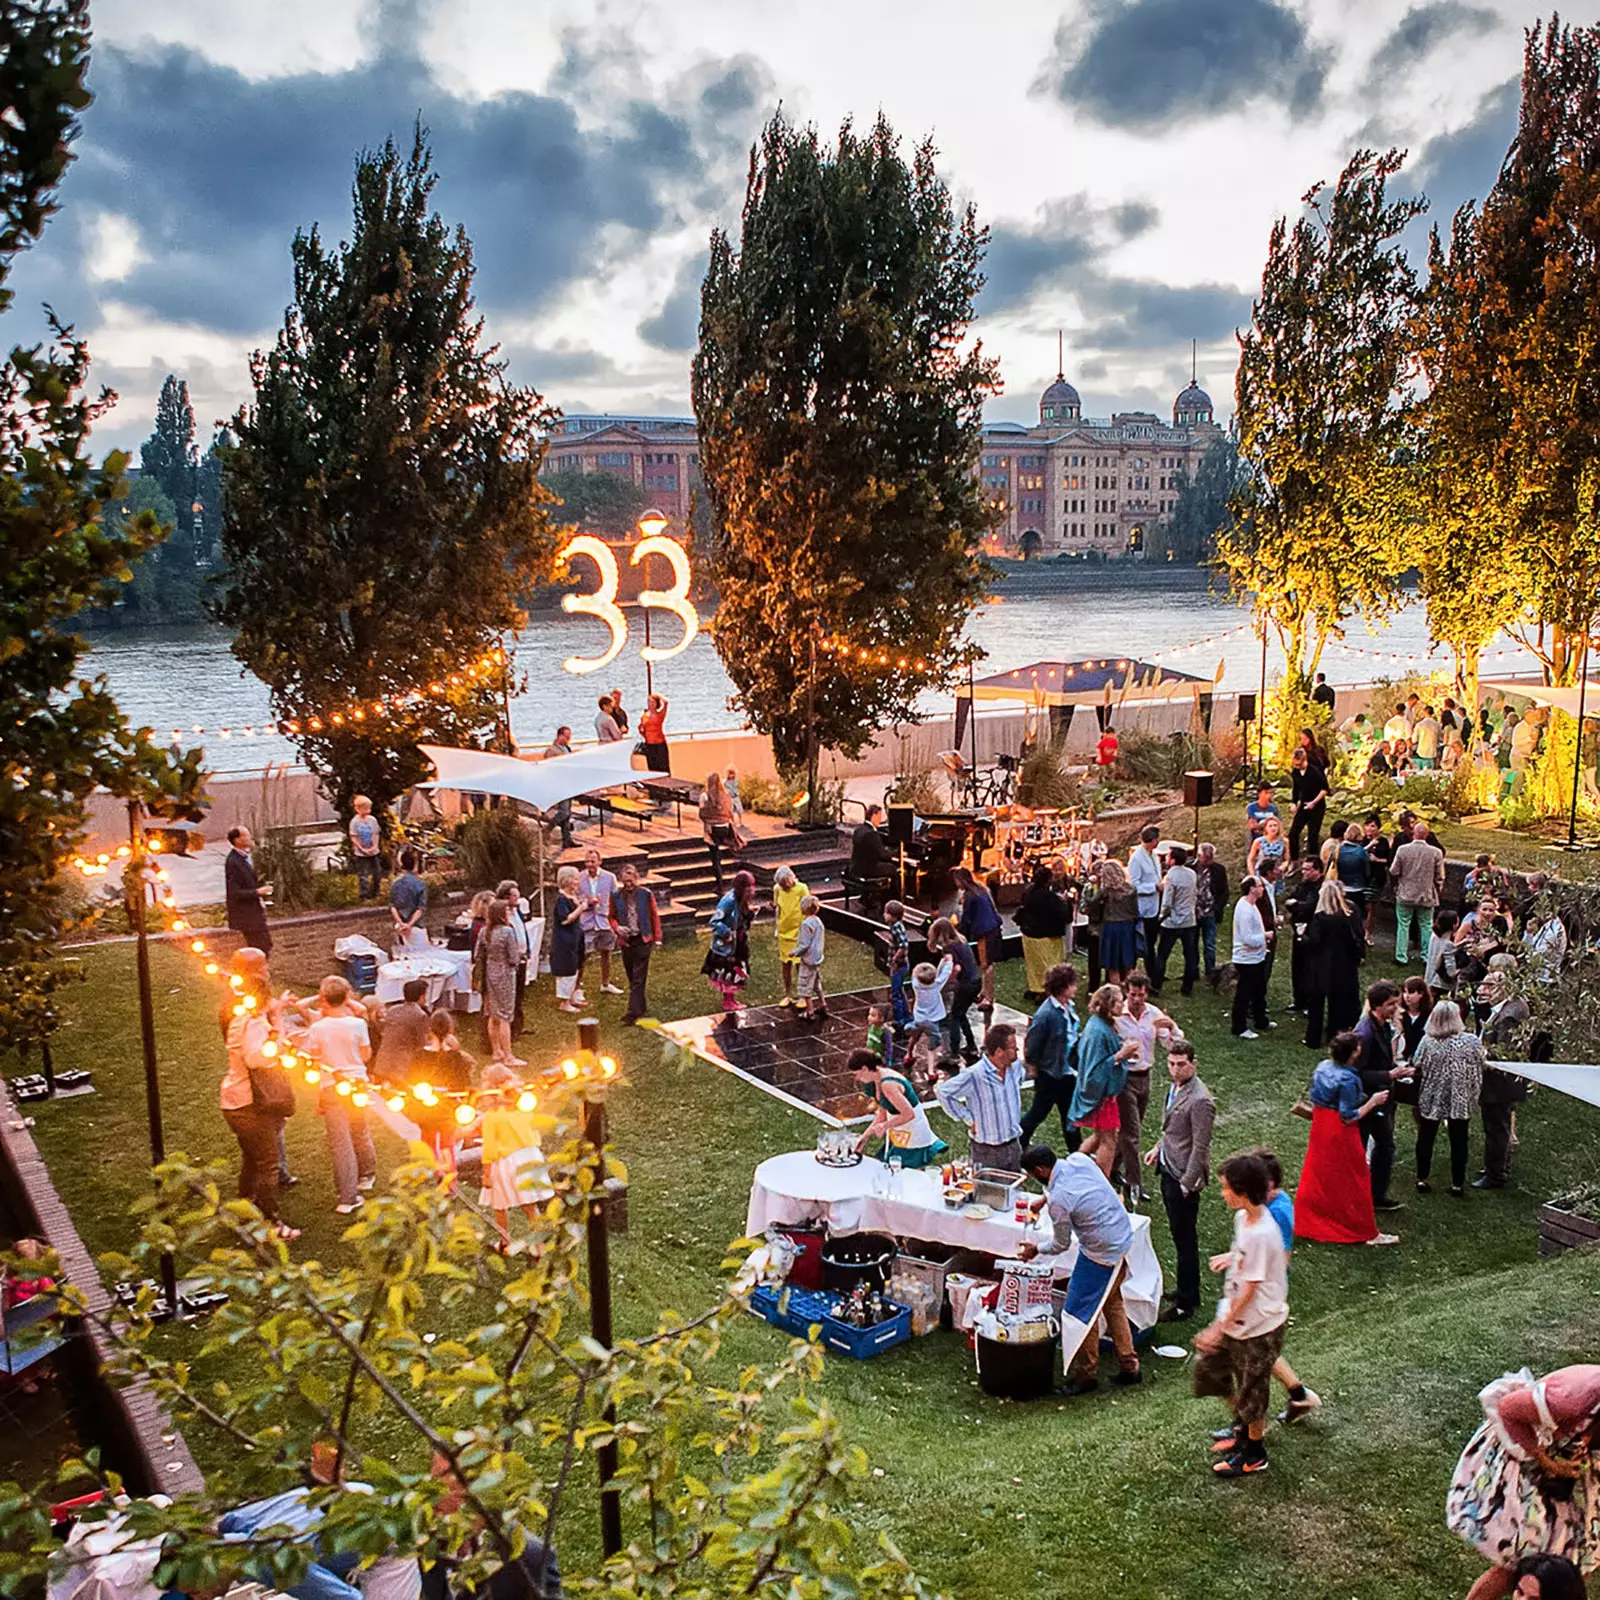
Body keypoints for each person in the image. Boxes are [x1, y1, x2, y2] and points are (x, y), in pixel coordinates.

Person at [1447, 1364, 1600, 1599]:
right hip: (1527, 1441)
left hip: (1575, 1455)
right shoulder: (1572, 1400)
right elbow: (1507, 1409)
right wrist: (1547, 1462)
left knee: (1581, 1558)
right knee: (1526, 1558)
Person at [1191, 1151, 1292, 1478]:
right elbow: (1245, 1255)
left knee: (1252, 1389)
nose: (1222, 1193)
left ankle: (1254, 1452)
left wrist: (1218, 1328)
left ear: (1244, 1190)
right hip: (1238, 1319)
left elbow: (1250, 1288)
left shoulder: (1264, 1231)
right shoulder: (1243, 1220)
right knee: (1209, 1370)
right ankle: (1242, 1430)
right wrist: (1231, 1256)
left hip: (1258, 1324)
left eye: (1226, 1188)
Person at [1017, 1142, 1139, 1396]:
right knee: (1112, 1302)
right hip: (1121, 1236)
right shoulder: (1079, 1160)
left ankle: (1086, 1374)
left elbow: (1060, 1244)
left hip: (1100, 1252)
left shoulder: (1060, 1200)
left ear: (1040, 1169)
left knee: (1078, 1313)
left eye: (1032, 1174)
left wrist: (1035, 1249)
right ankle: (1130, 1364)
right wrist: (1044, 1198)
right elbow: (1078, 1187)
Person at [1294, 1031, 1397, 1245]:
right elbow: (1348, 1117)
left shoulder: (1323, 1066)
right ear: (1353, 1053)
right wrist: (1373, 1102)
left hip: (1321, 1126)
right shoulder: (1349, 1079)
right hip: (1340, 1132)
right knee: (1354, 1177)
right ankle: (1364, 1230)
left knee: (1319, 1174)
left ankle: (1313, 1217)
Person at [220, 970, 298, 1240]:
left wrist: (276, 1016)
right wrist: (276, 1043)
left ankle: (245, 1206)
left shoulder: (242, 1018)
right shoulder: (253, 1024)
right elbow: (255, 1058)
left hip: (233, 1101)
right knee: (268, 1163)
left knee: (252, 1160)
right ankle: (271, 1224)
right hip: (250, 1103)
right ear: (263, 998)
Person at [1145, 1037, 1213, 1322]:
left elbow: (1201, 1145)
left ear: (1193, 1064)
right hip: (1169, 1166)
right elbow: (1172, 1128)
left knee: (1185, 1239)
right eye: (1171, 1064)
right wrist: (1158, 1148)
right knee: (1178, 1235)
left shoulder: (1200, 1100)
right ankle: (1187, 1290)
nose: (1175, 1069)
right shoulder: (1176, 1088)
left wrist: (1187, 1182)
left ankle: (1186, 1301)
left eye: (1181, 1065)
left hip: (1182, 1176)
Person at [302, 975, 377, 1216]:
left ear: (323, 998)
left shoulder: (317, 1028)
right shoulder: (358, 1024)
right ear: (347, 997)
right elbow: (366, 1056)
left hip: (332, 1086)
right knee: (360, 1130)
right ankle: (367, 1175)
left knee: (340, 1142)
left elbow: (314, 1059)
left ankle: (347, 1196)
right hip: (356, 1084)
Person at [1113, 971, 1182, 1203]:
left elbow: (1174, 1045)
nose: (1137, 1000)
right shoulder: (1117, 1016)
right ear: (1126, 992)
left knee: (1130, 1128)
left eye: (1141, 995)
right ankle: (1134, 1183)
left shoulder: (1153, 1014)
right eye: (1133, 995)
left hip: (1145, 1076)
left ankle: (1110, 1166)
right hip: (1124, 1078)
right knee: (1132, 1134)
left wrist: (1172, 1027)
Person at [1412, 999, 1485, 1198]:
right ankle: (1457, 1183)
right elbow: (1482, 1061)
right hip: (1460, 1097)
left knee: (1426, 1137)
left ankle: (1422, 1178)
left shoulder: (1427, 1041)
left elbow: (1416, 1062)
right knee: (1459, 1139)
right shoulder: (1471, 1041)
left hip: (1432, 1094)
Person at [476, 1064, 554, 1251]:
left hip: (507, 1161)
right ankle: (540, 1246)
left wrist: (486, 1174)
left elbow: (490, 1148)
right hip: (530, 1157)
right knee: (529, 1205)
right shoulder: (524, 1107)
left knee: (499, 1205)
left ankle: (505, 1241)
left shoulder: (492, 1116)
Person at [933, 1022, 1026, 1172]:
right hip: (986, 1152)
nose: (1017, 1050)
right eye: (1012, 1047)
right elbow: (944, 1092)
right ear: (999, 1051)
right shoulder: (975, 1075)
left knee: (1014, 1191)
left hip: (1014, 1145)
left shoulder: (1014, 1067)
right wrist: (967, 1118)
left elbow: (1019, 1081)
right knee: (989, 1194)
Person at [1354, 980, 1412, 1212]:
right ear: (1376, 1005)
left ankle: (1376, 1194)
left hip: (1382, 1098)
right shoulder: (1365, 1033)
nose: (1395, 1009)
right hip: (1367, 1100)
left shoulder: (1384, 1027)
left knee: (1385, 1146)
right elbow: (1357, 1073)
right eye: (1390, 1004)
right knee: (1361, 1149)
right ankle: (1360, 1196)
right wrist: (1390, 1073)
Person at [1070, 984, 1139, 1175]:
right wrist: (1120, 1055)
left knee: (1100, 1136)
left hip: (1105, 1093)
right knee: (1109, 1140)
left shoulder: (1102, 1024)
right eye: (1118, 1001)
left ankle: (1072, 1168)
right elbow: (1094, 1069)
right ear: (1108, 1004)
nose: (1123, 1004)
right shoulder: (1097, 1031)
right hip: (1101, 1095)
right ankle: (1102, 1181)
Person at [1477, 965, 1534, 1190]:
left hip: (1499, 1085)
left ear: (1503, 988)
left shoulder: (1509, 1016)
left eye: (1489, 985)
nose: (1483, 990)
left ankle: (1496, 1174)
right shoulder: (1508, 1008)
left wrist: (1478, 1053)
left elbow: (1503, 1053)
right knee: (1498, 1126)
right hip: (1502, 1083)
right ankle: (1498, 1166)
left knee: (1496, 1127)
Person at [850, 1049, 947, 1168]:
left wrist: (884, 1126)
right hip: (899, 1130)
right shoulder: (875, 1080)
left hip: (912, 1131)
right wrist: (863, 1138)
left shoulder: (888, 1085)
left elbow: (909, 1114)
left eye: (856, 1074)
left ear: (865, 1069)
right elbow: (883, 1113)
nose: (856, 1078)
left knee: (904, 1172)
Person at [1020, 962, 1081, 1149]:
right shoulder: (1046, 1015)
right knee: (1038, 1112)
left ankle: (1076, 1151)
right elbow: (1032, 1045)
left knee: (1070, 1116)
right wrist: (1034, 1068)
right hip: (1051, 1074)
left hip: (1068, 1071)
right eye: (1073, 984)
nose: (1076, 988)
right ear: (1063, 987)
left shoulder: (1068, 1006)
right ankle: (1018, 1141)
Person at [1303, 879, 1364, 1048]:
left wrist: (1303, 937)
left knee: (1316, 1004)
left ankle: (1313, 1038)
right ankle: (1333, 1035)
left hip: (1321, 965)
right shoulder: (1346, 916)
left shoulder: (1319, 917)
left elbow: (1314, 941)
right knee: (1337, 1004)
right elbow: (1354, 938)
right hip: (1342, 965)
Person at [411, 1010, 474, 1172]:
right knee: (447, 1145)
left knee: (428, 1141)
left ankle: (429, 1175)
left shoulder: (419, 1056)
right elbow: (463, 1086)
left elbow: (411, 1081)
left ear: (429, 1030)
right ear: (450, 1030)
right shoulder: (456, 1057)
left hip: (424, 1107)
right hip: (448, 1107)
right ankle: (447, 1182)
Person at [609, 860, 661, 1025]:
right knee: (632, 976)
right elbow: (611, 917)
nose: (629, 885)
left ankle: (632, 1014)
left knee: (638, 977)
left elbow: (654, 916)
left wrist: (657, 938)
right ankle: (641, 1006)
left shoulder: (645, 894)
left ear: (637, 879)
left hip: (642, 938)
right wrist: (617, 928)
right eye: (625, 882)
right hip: (627, 940)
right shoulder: (616, 896)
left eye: (631, 881)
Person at [927, 917, 983, 1061]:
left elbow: (956, 968)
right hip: (976, 981)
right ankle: (971, 1046)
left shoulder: (948, 948)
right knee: (961, 1013)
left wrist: (950, 980)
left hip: (966, 984)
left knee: (954, 1018)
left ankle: (954, 1054)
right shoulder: (962, 941)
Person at [1392, 820, 1446, 965]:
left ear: (1413, 834)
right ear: (1427, 835)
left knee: (1403, 925)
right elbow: (1440, 876)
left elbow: (1394, 870)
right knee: (1426, 925)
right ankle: (1426, 955)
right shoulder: (1436, 852)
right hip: (1426, 894)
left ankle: (1401, 956)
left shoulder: (1402, 850)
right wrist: (1437, 890)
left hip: (1406, 894)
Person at [703, 871, 757, 1015]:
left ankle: (731, 999)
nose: (752, 891)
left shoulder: (742, 901)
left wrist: (751, 913)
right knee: (728, 971)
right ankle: (727, 1001)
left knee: (736, 971)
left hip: (738, 943)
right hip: (726, 946)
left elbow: (742, 921)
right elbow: (714, 921)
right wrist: (726, 932)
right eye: (749, 888)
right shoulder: (728, 901)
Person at [953, 866, 1002, 1018]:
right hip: (992, 928)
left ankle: (989, 998)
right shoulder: (980, 889)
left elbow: (966, 919)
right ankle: (984, 992)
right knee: (984, 963)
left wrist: (956, 932)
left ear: (961, 880)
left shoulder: (970, 895)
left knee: (987, 964)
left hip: (985, 931)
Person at [1016, 862, 1070, 999]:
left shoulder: (1028, 892)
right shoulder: (1049, 897)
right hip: (1047, 935)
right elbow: (1061, 914)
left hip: (1029, 933)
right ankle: (1048, 989)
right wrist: (1065, 902)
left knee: (1033, 964)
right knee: (1050, 963)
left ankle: (1035, 986)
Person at [480, 899, 523, 1068]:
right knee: (505, 1015)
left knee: (493, 1013)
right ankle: (508, 1055)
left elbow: (478, 953)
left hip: (490, 973)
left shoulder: (484, 931)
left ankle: (496, 1051)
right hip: (505, 974)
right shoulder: (507, 932)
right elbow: (513, 957)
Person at [1152, 843, 1199, 997]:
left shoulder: (1171, 876)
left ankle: (1156, 985)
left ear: (1172, 860)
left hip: (1172, 920)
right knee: (1190, 954)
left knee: (1163, 954)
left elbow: (1167, 900)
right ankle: (1188, 987)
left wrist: (1161, 916)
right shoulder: (1192, 874)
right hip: (1189, 919)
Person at [576, 847, 621, 997]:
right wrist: (586, 902)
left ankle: (605, 984)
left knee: (606, 952)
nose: (589, 864)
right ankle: (577, 987)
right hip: (587, 920)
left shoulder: (609, 877)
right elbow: (575, 897)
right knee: (583, 955)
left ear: (599, 862)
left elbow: (616, 898)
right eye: (587, 861)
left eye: (592, 861)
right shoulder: (579, 877)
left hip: (604, 920)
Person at [1230, 876, 1272, 1039]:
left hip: (1257, 957)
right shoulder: (1245, 910)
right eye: (1260, 886)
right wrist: (1265, 937)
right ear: (1252, 888)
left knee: (1259, 990)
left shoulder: (1251, 905)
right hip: (1246, 958)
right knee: (1244, 993)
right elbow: (1247, 938)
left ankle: (1260, 1020)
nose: (1263, 889)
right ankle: (1239, 1027)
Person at [1087, 857, 1140, 986]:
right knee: (1128, 963)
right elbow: (1135, 911)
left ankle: (1116, 992)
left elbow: (1091, 903)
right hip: (1127, 927)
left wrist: (1093, 886)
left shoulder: (1105, 892)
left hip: (1110, 928)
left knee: (1112, 965)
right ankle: (1130, 990)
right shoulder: (1131, 889)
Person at [224, 825, 274, 955]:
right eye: (246, 835)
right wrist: (258, 892)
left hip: (254, 912)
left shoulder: (244, 858)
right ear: (237, 840)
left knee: (266, 944)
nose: (249, 838)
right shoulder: (233, 862)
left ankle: (262, 971)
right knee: (260, 947)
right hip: (247, 915)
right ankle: (258, 972)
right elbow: (234, 893)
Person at [1283, 856, 1324, 1015]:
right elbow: (1290, 901)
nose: (1304, 872)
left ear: (1318, 871)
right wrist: (1295, 906)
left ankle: (1310, 1002)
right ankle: (1299, 1000)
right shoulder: (1303, 885)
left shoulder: (1320, 887)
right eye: (1304, 869)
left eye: (1308, 869)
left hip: (1312, 932)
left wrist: (1297, 905)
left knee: (1310, 968)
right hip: (1298, 929)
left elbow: (1311, 906)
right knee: (1297, 966)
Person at [373, 977, 431, 1084]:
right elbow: (422, 1043)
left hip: (382, 1062)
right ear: (421, 996)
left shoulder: (392, 1010)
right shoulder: (420, 1015)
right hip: (401, 1067)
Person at [1127, 825, 1164, 980]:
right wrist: (1153, 887)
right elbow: (1134, 885)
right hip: (1143, 908)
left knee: (1151, 942)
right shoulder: (1136, 859)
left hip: (1154, 905)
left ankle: (1153, 973)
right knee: (1143, 943)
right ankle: (1144, 975)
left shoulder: (1153, 855)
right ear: (1153, 841)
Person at [550, 865, 586, 1014]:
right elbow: (565, 919)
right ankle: (564, 1002)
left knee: (575, 965)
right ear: (568, 880)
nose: (577, 882)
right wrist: (581, 908)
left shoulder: (572, 896)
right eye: (575, 879)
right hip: (564, 940)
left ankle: (571, 997)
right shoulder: (561, 900)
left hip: (575, 937)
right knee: (567, 968)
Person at [698, 770, 737, 891]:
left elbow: (702, 813)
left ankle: (719, 884)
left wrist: (710, 818)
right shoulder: (726, 796)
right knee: (718, 854)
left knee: (715, 858)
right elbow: (729, 811)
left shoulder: (705, 796)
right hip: (725, 829)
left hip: (712, 830)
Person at [790, 895, 827, 1021]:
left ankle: (809, 1011)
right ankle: (823, 1004)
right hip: (817, 957)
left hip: (808, 959)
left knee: (805, 984)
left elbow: (804, 944)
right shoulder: (818, 922)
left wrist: (795, 952)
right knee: (816, 982)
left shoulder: (806, 924)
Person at [1195, 842, 1229, 980]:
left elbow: (1224, 892)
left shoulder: (1219, 870)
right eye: (1206, 858)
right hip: (1194, 911)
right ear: (1199, 856)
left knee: (1209, 944)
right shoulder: (1190, 867)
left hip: (1210, 912)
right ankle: (1193, 970)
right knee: (1192, 943)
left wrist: (1217, 908)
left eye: (1210, 858)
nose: (1208, 861)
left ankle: (1210, 972)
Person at [851, 805, 896, 897]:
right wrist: (897, 853)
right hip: (868, 870)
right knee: (892, 868)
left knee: (886, 866)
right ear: (874, 816)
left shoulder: (858, 830)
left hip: (856, 867)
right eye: (879, 817)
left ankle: (871, 897)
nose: (880, 820)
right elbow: (882, 855)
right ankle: (893, 898)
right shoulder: (872, 834)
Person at [389, 848, 429, 953]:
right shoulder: (419, 883)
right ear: (415, 864)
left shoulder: (395, 883)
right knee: (422, 959)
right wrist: (409, 924)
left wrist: (401, 923)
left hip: (399, 927)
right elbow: (420, 908)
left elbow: (393, 906)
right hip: (416, 926)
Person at [544, 727, 577, 849]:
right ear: (559, 736)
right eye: (566, 737)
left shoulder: (567, 749)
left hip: (568, 782)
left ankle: (567, 839)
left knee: (568, 813)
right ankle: (548, 828)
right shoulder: (552, 751)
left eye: (569, 737)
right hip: (559, 783)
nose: (568, 740)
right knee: (564, 812)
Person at [883, 898, 912, 1029]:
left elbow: (904, 945)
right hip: (900, 965)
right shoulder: (895, 926)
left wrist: (894, 959)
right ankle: (907, 1015)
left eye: (886, 913)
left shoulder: (896, 928)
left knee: (896, 994)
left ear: (893, 916)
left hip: (899, 966)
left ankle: (900, 1020)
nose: (884, 915)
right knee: (899, 990)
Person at [348, 795, 383, 901]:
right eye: (365, 808)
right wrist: (361, 849)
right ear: (358, 808)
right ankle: (364, 895)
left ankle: (375, 892)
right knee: (363, 874)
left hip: (373, 850)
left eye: (369, 807)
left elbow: (375, 833)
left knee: (377, 872)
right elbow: (353, 837)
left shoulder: (372, 820)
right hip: (361, 852)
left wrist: (375, 846)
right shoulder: (355, 822)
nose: (368, 810)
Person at [1427, 908, 1462, 994]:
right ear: (1454, 925)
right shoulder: (1448, 944)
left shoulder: (1434, 937)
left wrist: (1460, 944)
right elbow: (1451, 971)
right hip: (1440, 983)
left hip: (1429, 976)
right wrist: (1458, 971)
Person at [1246, 814, 1287, 885]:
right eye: (1270, 826)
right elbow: (1250, 859)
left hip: (1276, 873)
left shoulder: (1284, 841)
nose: (1273, 828)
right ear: (1266, 828)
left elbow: (1286, 859)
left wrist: (1282, 868)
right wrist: (1252, 875)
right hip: (1261, 874)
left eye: (1275, 825)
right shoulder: (1258, 841)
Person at [638, 693, 669, 772]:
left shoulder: (660, 714)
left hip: (659, 743)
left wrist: (657, 696)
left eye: (653, 702)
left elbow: (666, 702)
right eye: (649, 702)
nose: (650, 704)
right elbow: (641, 728)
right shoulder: (644, 716)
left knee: (663, 767)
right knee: (652, 768)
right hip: (649, 744)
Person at [1413, 703, 1443, 770]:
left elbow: (1414, 740)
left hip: (1422, 751)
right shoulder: (1437, 725)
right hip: (1433, 751)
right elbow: (1440, 738)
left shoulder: (1419, 725)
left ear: (1424, 712)